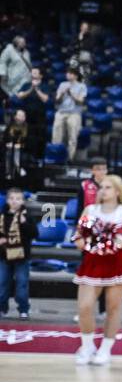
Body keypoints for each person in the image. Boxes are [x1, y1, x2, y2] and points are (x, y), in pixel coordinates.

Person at [71, 174, 122, 366]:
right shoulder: (90, 210)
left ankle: (105, 349)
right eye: (101, 187)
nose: (103, 190)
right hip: (92, 262)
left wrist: (117, 243)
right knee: (84, 307)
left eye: (108, 187)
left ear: (118, 191)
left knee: (113, 308)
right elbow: (78, 237)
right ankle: (87, 346)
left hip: (117, 264)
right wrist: (88, 244)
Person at [0, 187, 36, 319]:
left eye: (18, 199)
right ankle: (2, 308)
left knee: (22, 283)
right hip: (4, 256)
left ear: (22, 201)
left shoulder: (27, 216)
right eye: (12, 199)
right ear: (8, 200)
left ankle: (23, 308)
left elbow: (34, 234)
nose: (15, 201)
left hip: (22, 257)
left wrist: (24, 223)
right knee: (2, 283)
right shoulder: (1, 216)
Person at [52, 67, 86, 161]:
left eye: (70, 73)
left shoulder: (81, 86)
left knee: (73, 137)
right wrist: (62, 94)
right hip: (61, 112)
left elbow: (81, 101)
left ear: (75, 76)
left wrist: (71, 94)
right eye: (67, 73)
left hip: (74, 113)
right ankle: (56, 157)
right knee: (56, 136)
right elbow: (57, 100)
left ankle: (70, 159)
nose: (68, 75)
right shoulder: (62, 84)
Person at [72, 156, 108, 220]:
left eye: (104, 169)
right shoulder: (84, 185)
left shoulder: (112, 185)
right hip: (89, 219)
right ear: (92, 171)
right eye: (98, 169)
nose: (102, 171)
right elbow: (80, 207)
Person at [0, 36, 32, 100]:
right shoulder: (8, 50)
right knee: (13, 98)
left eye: (24, 42)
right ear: (16, 43)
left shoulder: (26, 52)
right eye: (22, 42)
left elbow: (29, 65)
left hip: (25, 79)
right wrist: (3, 74)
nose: (24, 44)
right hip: (12, 79)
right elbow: (2, 62)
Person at [2, 108, 29, 179]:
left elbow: (30, 143)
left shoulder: (28, 128)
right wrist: (7, 144)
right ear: (15, 117)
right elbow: (4, 139)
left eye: (24, 116)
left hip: (23, 149)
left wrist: (21, 145)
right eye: (20, 116)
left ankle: (18, 169)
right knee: (9, 151)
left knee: (17, 151)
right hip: (10, 149)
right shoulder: (9, 127)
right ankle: (8, 173)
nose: (23, 117)